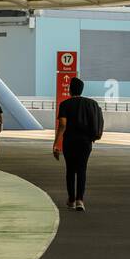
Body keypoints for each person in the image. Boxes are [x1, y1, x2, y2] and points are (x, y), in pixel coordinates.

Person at [54, 77, 104, 212]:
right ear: (82, 90)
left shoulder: (65, 104)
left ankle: (71, 200)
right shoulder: (90, 104)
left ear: (70, 89)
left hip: (70, 141)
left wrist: (56, 144)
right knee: (82, 169)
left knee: (70, 170)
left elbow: (63, 125)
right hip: (85, 142)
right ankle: (80, 200)